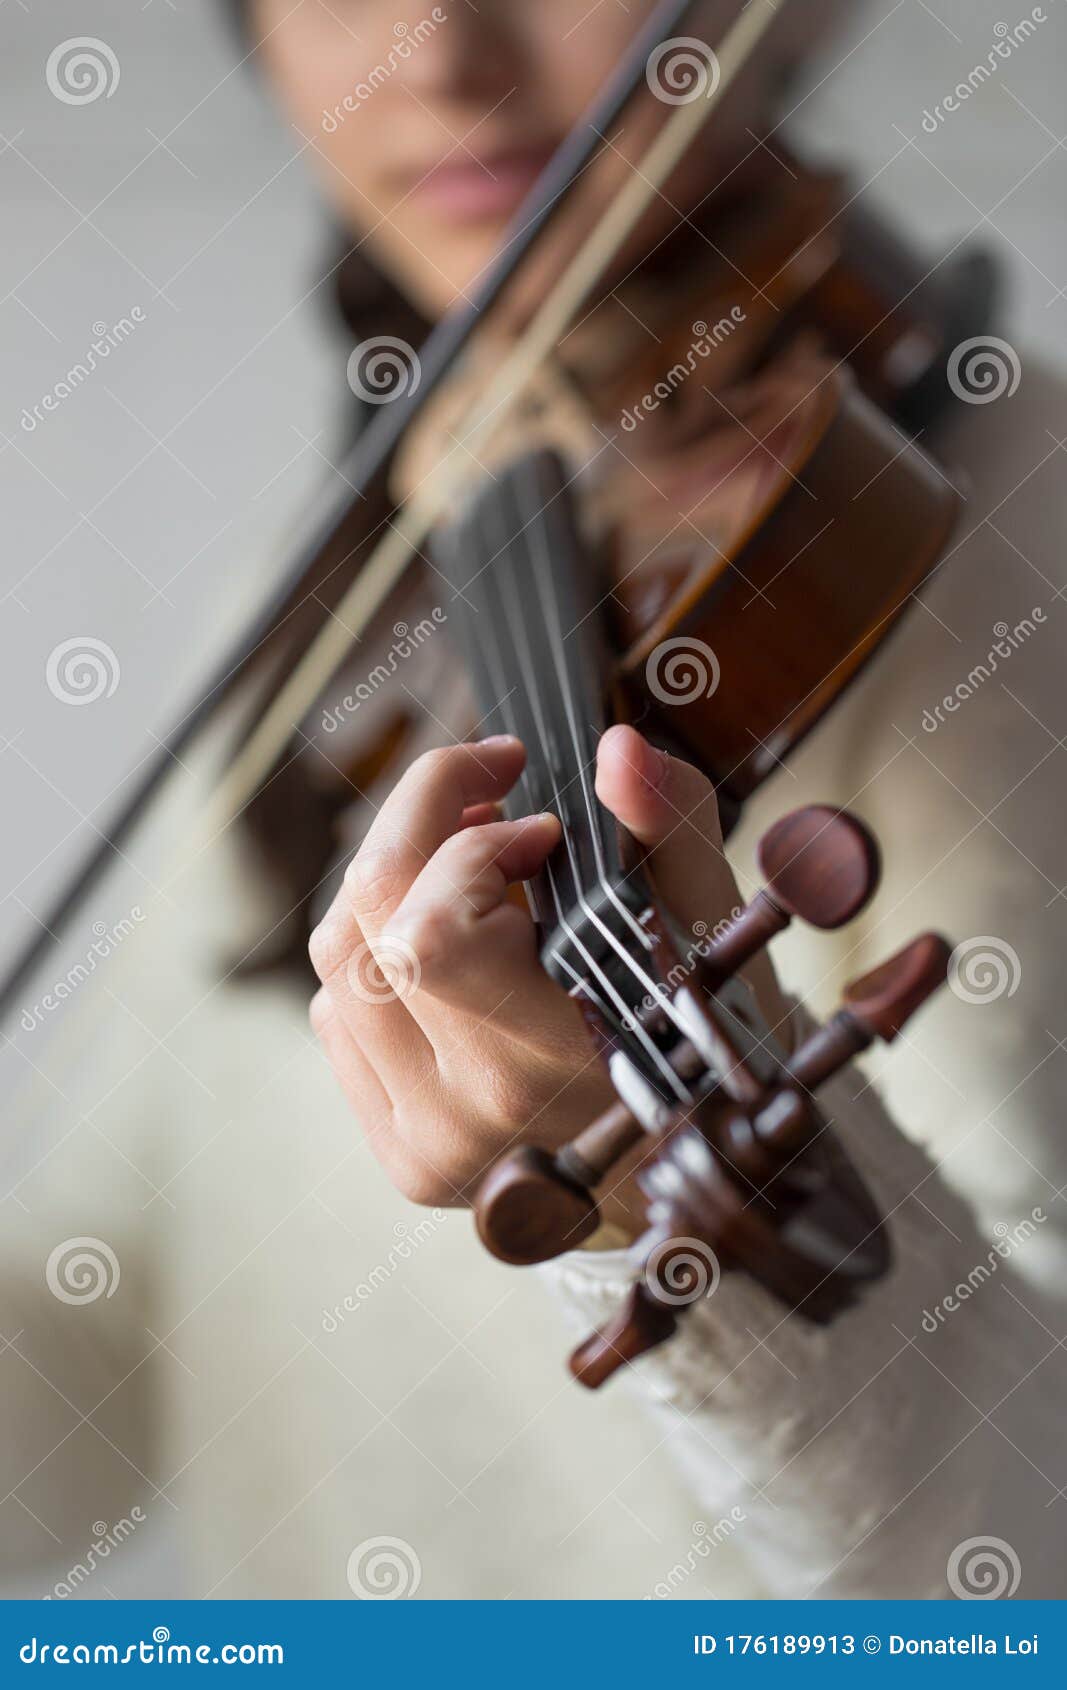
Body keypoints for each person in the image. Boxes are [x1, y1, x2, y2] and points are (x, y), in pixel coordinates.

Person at [3, 0, 1064, 1602]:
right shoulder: (330, 604)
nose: (441, 59)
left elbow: (1025, 1544)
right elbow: (117, 1310)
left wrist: (662, 1204)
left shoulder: (1028, 544)